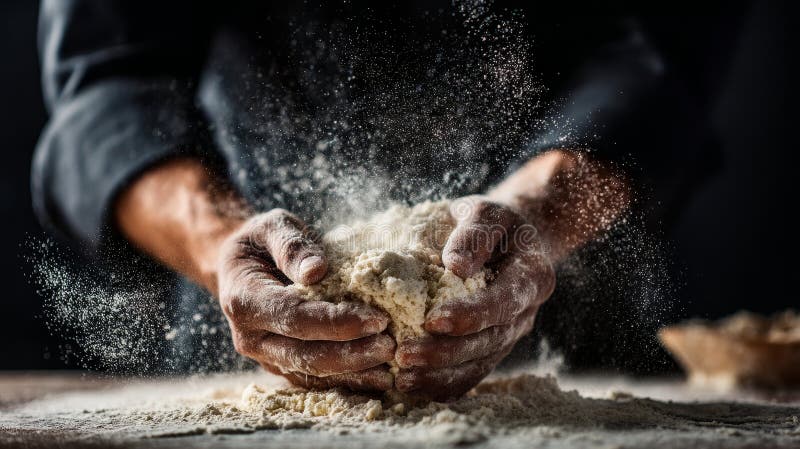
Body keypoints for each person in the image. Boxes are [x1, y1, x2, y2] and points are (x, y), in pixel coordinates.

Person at [33, 1, 721, 398]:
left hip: (571, 351)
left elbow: (661, 60)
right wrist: (219, 245)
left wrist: (536, 216)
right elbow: (106, 85)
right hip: (255, 328)